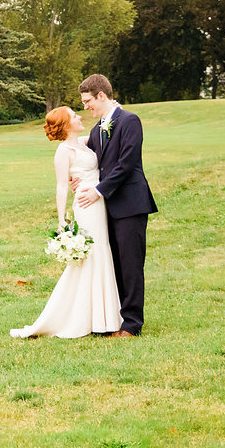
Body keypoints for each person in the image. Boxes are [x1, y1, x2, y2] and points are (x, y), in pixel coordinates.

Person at [10, 105, 123, 338]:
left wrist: (115, 108)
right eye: (74, 115)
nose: (79, 116)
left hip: (99, 202)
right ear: (66, 124)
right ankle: (92, 319)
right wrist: (62, 219)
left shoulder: (81, 143)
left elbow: (102, 133)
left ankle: (104, 317)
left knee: (101, 253)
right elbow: (62, 185)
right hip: (85, 206)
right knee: (93, 255)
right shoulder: (63, 151)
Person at [74, 73, 158, 337]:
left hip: (131, 204)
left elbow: (126, 163)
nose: (86, 106)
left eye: (88, 101)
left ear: (101, 95)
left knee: (131, 265)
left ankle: (132, 324)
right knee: (115, 265)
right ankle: (115, 319)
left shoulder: (130, 121)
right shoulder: (96, 129)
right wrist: (81, 180)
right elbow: (97, 165)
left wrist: (98, 191)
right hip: (107, 209)